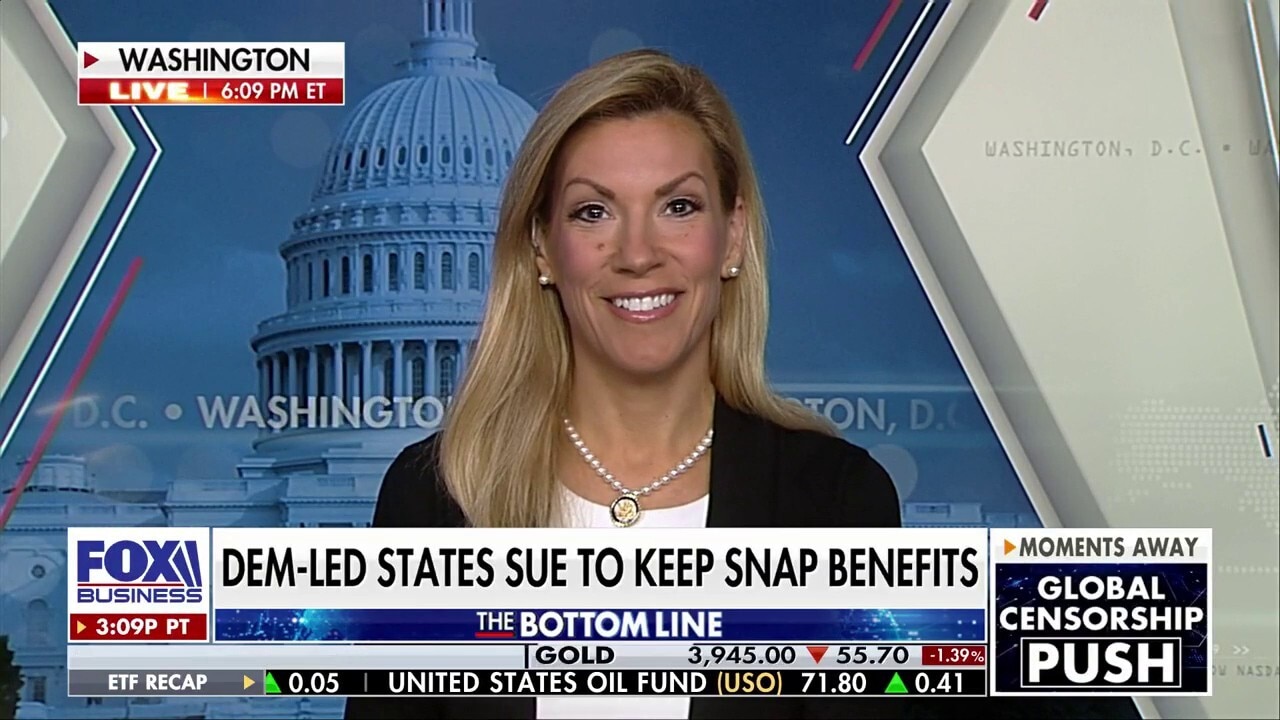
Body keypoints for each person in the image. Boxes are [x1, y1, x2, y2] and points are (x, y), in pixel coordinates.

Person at [344, 49, 1141, 720]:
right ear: (542, 250)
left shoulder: (835, 504)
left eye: (678, 206)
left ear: (731, 239)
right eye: (593, 213)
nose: (638, 253)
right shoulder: (434, 500)